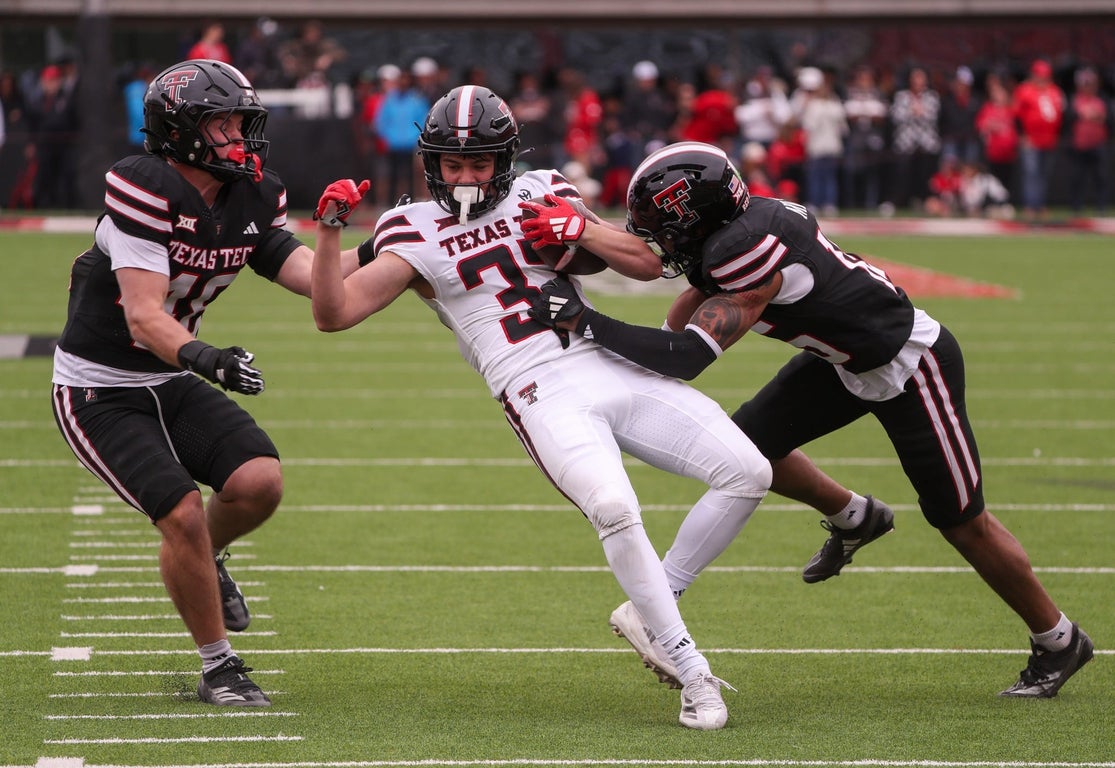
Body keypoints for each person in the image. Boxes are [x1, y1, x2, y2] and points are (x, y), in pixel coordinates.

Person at [527, 140, 1094, 699]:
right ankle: (855, 517)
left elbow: (689, 356)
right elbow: (688, 308)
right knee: (746, 452)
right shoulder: (733, 228)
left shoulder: (744, 250)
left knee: (963, 523)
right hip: (844, 363)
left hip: (909, 366)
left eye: (667, 229)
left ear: (697, 219)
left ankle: (1059, 639)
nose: (663, 242)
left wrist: (586, 322)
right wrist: (600, 254)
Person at [309, 85, 773, 730]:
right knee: (614, 507)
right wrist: (329, 231)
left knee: (748, 472)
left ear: (505, 160)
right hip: (536, 387)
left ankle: (653, 606)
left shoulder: (541, 190)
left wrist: (580, 228)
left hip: (608, 357)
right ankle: (692, 671)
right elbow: (333, 313)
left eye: (479, 163)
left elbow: (645, 264)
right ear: (432, 164)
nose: (466, 178)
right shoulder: (412, 230)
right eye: (453, 164)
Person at [49, 59, 368, 708]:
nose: (239, 137)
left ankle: (205, 559)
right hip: (99, 388)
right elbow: (143, 318)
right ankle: (219, 666)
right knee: (183, 513)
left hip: (168, 377)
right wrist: (210, 360)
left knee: (259, 483)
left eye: (241, 123)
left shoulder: (251, 195)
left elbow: (315, 279)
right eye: (223, 124)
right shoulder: (145, 187)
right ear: (181, 130)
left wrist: (366, 237)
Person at [1012, 59, 1064, 223]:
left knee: (1044, 175)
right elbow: (1016, 116)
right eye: (1040, 76)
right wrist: (1023, 136)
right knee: (1031, 174)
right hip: (1031, 140)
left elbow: (1060, 116)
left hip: (1049, 140)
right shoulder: (1024, 90)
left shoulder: (1054, 91)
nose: (1043, 80)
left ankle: (1040, 205)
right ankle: (1030, 206)